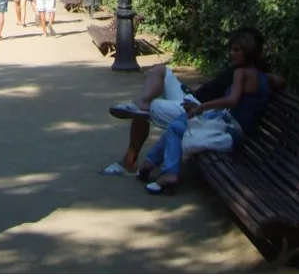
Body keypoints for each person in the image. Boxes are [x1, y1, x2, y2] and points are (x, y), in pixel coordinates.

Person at [102, 26, 284, 177]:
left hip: (198, 111)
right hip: (189, 97)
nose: (232, 53)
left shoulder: (247, 74)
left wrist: (201, 107)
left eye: (238, 49)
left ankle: (131, 157)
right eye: (233, 48)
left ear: (251, 52)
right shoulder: (241, 69)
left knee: (149, 109)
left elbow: (266, 84)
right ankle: (143, 102)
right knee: (159, 70)